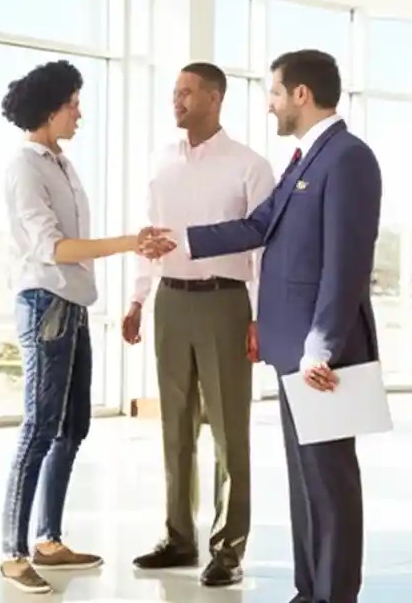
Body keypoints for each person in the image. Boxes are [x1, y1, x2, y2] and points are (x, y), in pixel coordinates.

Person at [169, 49, 379, 603]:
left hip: (321, 356)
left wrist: (321, 346)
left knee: (330, 485)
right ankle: (309, 592)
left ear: (301, 94)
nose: (270, 105)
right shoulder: (305, 158)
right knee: (305, 483)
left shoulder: (349, 158)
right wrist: (182, 240)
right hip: (294, 351)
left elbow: (347, 265)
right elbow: (260, 225)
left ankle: (334, 596)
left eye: (275, 93)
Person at [0, 59, 173, 594]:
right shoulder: (25, 167)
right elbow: (53, 248)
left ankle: (48, 540)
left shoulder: (62, 164)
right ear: (49, 109)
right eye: (72, 104)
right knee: (39, 428)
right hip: (45, 305)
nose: (79, 114)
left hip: (71, 306)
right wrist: (130, 243)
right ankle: (13, 553)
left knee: (73, 426)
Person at [126, 62, 275, 586]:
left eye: (187, 92)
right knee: (176, 427)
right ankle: (178, 538)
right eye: (175, 92)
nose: (177, 100)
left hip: (224, 302)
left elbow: (263, 247)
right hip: (170, 300)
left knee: (229, 431)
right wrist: (138, 298)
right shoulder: (162, 160)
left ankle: (228, 550)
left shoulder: (250, 166)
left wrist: (259, 316)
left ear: (215, 98)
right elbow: (149, 235)